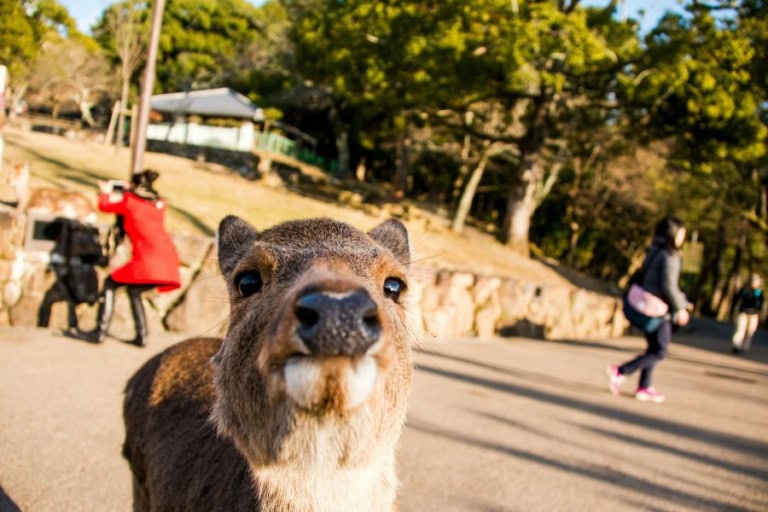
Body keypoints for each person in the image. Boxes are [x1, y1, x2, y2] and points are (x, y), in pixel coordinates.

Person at [80, 170, 181, 346]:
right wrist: (129, 188)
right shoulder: (160, 204)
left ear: (134, 186)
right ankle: (142, 336)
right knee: (134, 292)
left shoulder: (130, 202)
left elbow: (104, 206)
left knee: (110, 284)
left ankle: (99, 332)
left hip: (147, 260)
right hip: (168, 258)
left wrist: (105, 190)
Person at [607, 216, 690, 403]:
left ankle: (644, 386)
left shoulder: (654, 250)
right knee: (660, 350)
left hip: (646, 303)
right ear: (674, 234)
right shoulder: (670, 255)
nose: (683, 237)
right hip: (659, 309)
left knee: (654, 348)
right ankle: (621, 371)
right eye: (682, 233)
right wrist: (681, 307)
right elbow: (668, 285)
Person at [731, 273, 763, 354]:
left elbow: (761, 304)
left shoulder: (759, 292)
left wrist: (758, 312)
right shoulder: (745, 290)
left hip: (754, 314)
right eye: (752, 281)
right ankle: (736, 345)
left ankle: (744, 346)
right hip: (743, 312)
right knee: (740, 329)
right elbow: (736, 299)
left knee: (750, 331)